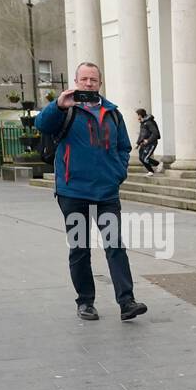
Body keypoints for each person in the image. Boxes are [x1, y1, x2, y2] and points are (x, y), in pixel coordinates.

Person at [35, 62, 148, 321]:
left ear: (100, 83)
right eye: (84, 79)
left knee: (115, 245)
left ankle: (127, 301)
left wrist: (118, 174)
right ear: (76, 81)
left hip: (106, 193)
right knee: (80, 247)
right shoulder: (66, 110)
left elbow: (123, 147)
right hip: (73, 192)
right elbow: (42, 124)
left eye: (93, 80)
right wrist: (58, 104)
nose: (88, 84)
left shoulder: (113, 113)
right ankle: (85, 301)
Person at [134, 108, 161, 175]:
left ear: (140, 115)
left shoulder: (149, 122)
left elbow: (155, 133)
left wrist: (148, 140)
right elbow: (142, 134)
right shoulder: (143, 123)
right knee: (141, 158)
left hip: (151, 143)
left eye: (138, 115)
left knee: (145, 158)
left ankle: (156, 166)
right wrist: (138, 143)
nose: (137, 117)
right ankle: (151, 170)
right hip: (143, 144)